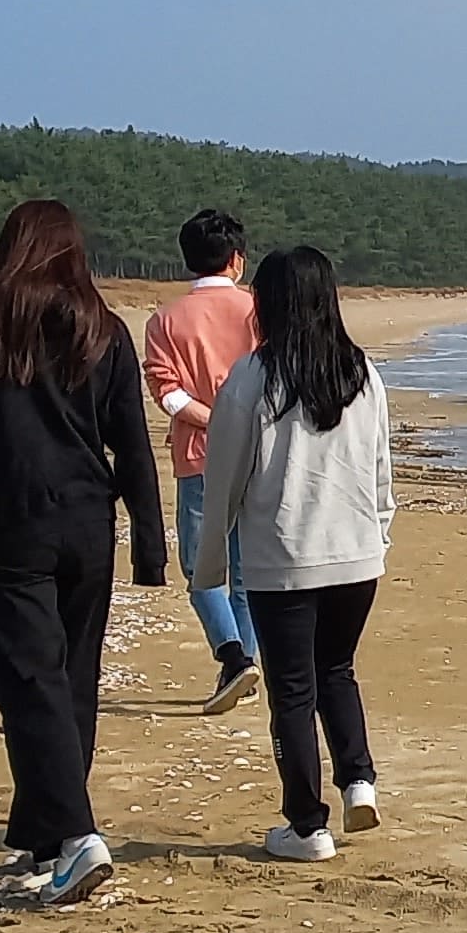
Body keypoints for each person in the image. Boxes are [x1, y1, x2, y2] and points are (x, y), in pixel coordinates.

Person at [0, 199, 164, 905]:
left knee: (31, 681)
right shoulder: (105, 329)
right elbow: (133, 446)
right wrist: (149, 542)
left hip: (9, 522)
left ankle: (78, 835)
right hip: (89, 524)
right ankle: (43, 834)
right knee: (70, 679)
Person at [190, 244, 394, 862]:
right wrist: (379, 536)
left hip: (284, 562)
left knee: (294, 693)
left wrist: (210, 571)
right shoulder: (363, 373)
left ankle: (307, 826)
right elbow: (383, 474)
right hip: (357, 558)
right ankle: (358, 780)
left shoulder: (252, 377)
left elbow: (223, 480)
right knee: (337, 671)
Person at [140, 209, 262, 708]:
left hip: (198, 456)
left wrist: (211, 418)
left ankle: (233, 657)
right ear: (237, 259)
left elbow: (164, 391)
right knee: (248, 567)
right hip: (257, 454)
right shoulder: (258, 310)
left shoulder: (164, 320)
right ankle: (245, 660)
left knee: (201, 568)